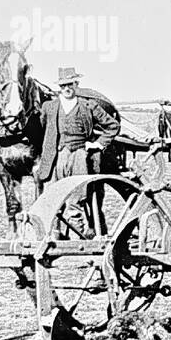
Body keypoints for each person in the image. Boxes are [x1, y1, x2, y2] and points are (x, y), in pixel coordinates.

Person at [37, 67, 121, 236]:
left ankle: (80, 235)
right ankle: (53, 235)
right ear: (59, 88)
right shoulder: (49, 107)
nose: (67, 89)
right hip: (57, 156)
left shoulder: (88, 105)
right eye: (63, 86)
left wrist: (98, 144)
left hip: (79, 156)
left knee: (76, 197)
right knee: (53, 197)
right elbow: (42, 129)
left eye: (70, 84)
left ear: (76, 84)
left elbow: (113, 126)